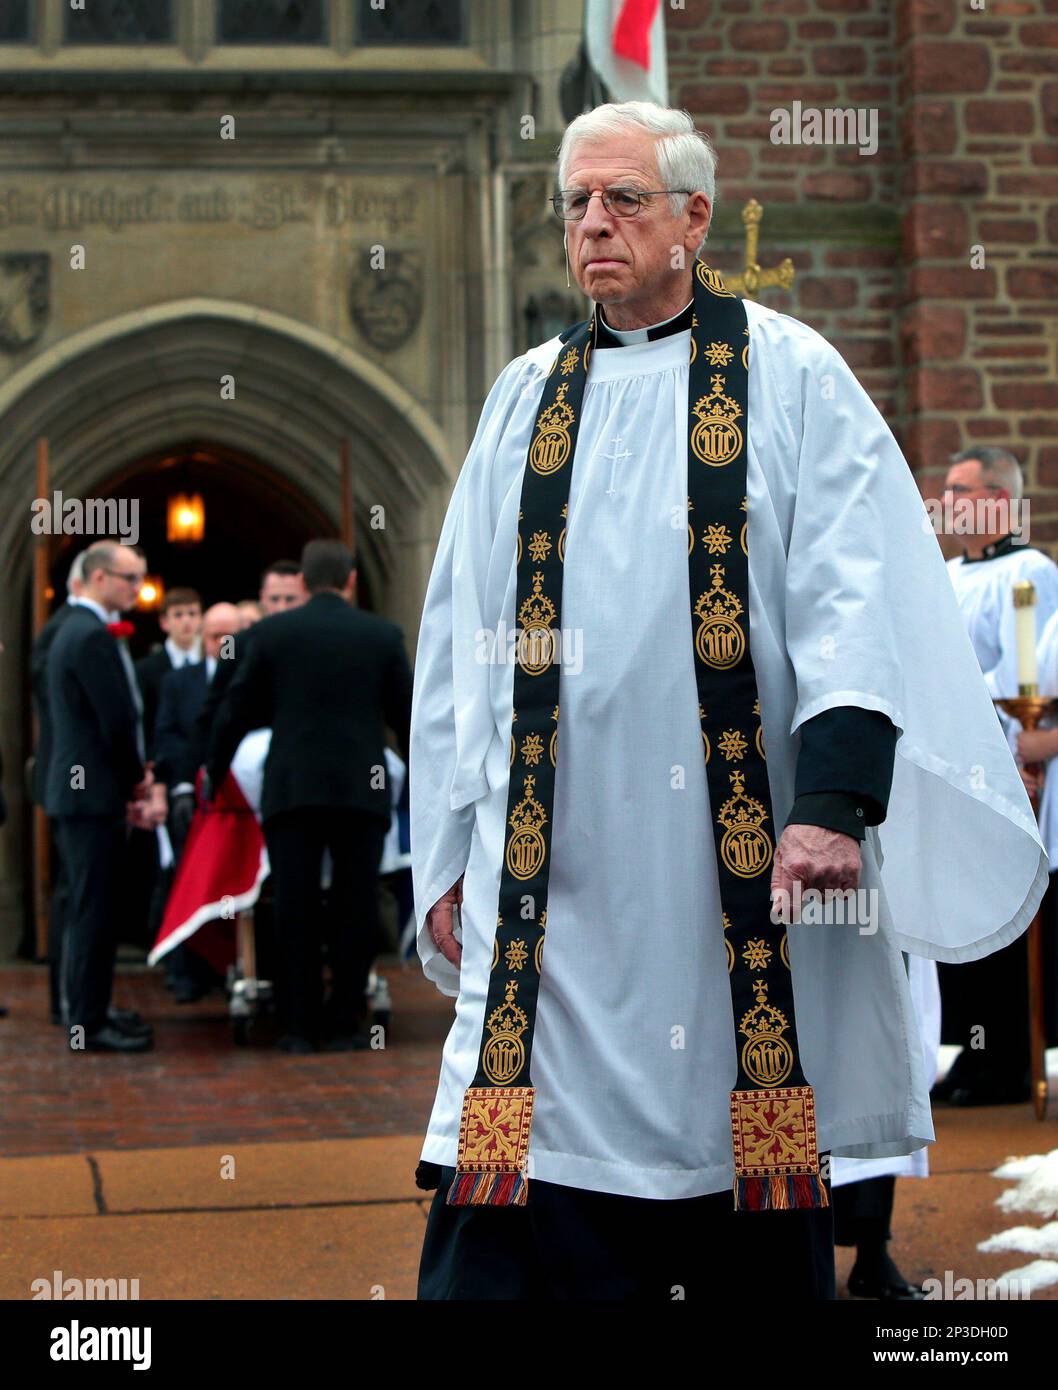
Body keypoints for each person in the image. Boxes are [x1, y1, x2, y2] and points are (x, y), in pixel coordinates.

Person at [409, 101, 1047, 1301]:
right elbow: (460, 633)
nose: (592, 224)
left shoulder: (789, 376)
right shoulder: (520, 400)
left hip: (732, 876)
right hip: (546, 883)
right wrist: (445, 845)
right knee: (506, 1199)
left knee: (735, 1184)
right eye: (575, 204)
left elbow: (853, 598)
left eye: (623, 200)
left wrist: (829, 803)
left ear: (693, 218)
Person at [209, 540, 413, 1052]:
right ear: (350, 581)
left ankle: (299, 1026)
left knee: (294, 906)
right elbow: (406, 716)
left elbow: (234, 710)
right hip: (359, 790)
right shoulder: (381, 635)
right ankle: (346, 1021)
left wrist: (212, 778)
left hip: (292, 788)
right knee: (356, 904)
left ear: (301, 583)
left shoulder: (271, 634)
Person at [935, 447, 1058, 1106]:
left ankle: (1007, 1056)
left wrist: (1023, 755)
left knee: (1006, 909)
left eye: (961, 491)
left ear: (1000, 501)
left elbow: (1026, 677)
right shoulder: (947, 572)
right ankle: (971, 1051)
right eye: (946, 491)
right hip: (951, 766)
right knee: (961, 911)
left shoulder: (1030, 572)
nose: (948, 503)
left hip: (1001, 762)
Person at [45, 541, 161, 1052]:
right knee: (93, 910)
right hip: (90, 793)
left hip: (85, 791)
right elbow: (113, 719)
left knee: (89, 906)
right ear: (97, 578)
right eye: (129, 578)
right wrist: (135, 778)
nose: (138, 589)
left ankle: (88, 1010)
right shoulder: (89, 636)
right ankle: (88, 1024)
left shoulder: (77, 629)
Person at [152, 602, 242, 1002]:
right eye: (213, 636)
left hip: (239, 805)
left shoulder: (252, 675)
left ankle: (240, 969)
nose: (221, 644)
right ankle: (188, 974)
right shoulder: (178, 681)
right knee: (187, 882)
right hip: (193, 802)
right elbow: (167, 736)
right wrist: (184, 785)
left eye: (229, 637)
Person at [31, 549, 87, 1024]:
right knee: (75, 895)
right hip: (73, 780)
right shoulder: (68, 629)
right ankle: (73, 1003)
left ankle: (82, 1001)